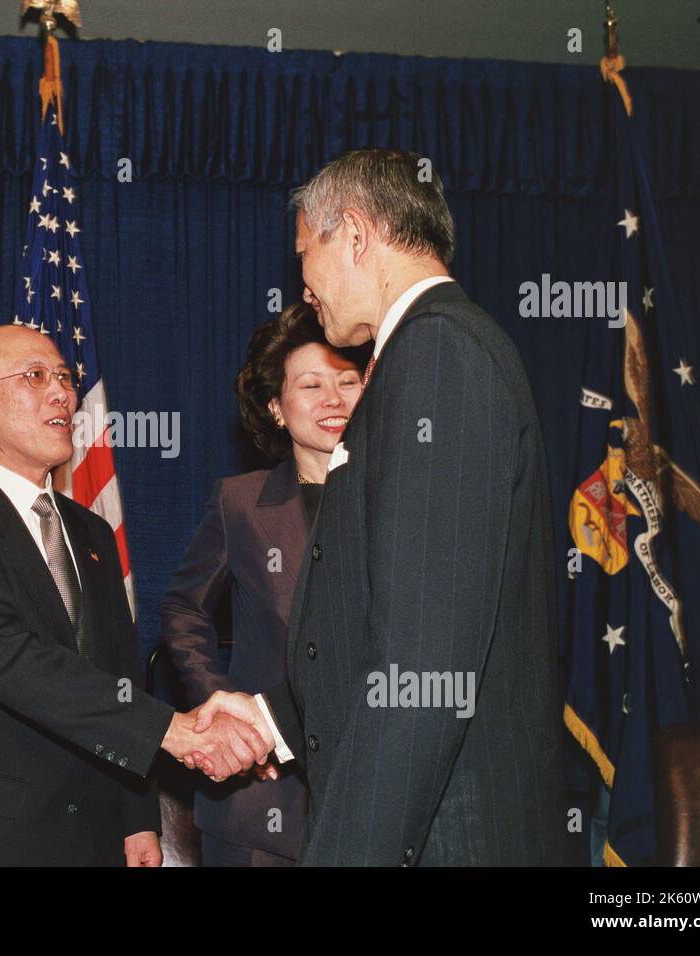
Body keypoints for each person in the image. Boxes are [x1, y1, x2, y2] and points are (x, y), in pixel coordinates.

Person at [194, 148, 566, 865]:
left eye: (305, 252)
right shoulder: (422, 356)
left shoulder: (437, 356)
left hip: (448, 837)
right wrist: (270, 716)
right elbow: (377, 627)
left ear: (355, 235)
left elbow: (423, 661)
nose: (303, 287)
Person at [0, 325, 272, 867]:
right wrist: (173, 731)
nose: (62, 392)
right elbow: (9, 660)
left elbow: (118, 673)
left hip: (91, 833)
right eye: (34, 376)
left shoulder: (90, 532)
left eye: (64, 376)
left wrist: (137, 818)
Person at [160, 304, 366, 866]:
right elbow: (183, 606)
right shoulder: (241, 502)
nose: (333, 399)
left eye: (349, 382)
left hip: (377, 794)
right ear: (276, 407)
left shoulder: (407, 503)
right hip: (262, 798)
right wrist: (220, 703)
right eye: (311, 384)